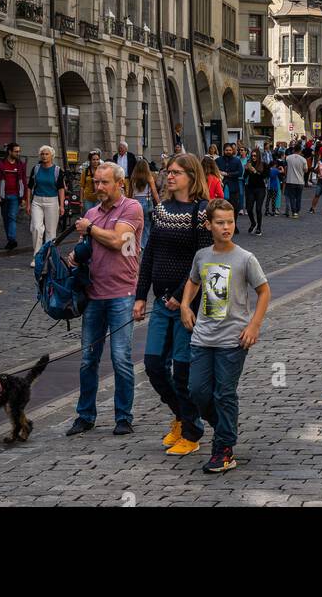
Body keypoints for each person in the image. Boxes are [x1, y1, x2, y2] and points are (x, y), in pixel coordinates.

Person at [183, 199, 270, 474]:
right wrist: (185, 304)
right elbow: (193, 281)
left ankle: (224, 448)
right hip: (203, 337)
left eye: (230, 222)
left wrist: (254, 325)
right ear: (208, 225)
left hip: (233, 339)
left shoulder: (245, 258)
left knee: (224, 394)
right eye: (220, 222)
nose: (226, 227)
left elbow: (264, 291)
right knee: (197, 391)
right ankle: (224, 427)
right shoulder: (202, 256)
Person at [134, 153, 211, 456]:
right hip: (159, 301)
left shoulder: (201, 212)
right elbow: (150, 254)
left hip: (186, 305)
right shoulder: (162, 210)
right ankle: (180, 415)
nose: (170, 176)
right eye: (168, 171)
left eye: (177, 172)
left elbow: (203, 261)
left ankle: (192, 432)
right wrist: (140, 295)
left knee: (182, 370)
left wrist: (181, 297)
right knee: (153, 364)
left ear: (191, 176)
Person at [66, 162, 143, 437]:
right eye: (96, 182)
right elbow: (87, 248)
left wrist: (89, 230)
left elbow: (118, 241)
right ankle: (85, 415)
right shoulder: (91, 213)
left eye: (104, 182)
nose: (98, 187)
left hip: (122, 293)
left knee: (121, 358)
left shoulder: (131, 208)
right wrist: (75, 258)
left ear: (119, 184)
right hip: (94, 295)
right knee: (88, 359)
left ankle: (123, 416)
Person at [28, 146, 66, 267]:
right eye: (42, 154)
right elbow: (29, 187)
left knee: (50, 232)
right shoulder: (36, 169)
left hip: (52, 201)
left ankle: (48, 255)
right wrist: (28, 203)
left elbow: (61, 189)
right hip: (37, 201)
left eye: (46, 154)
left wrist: (61, 205)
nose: (44, 156)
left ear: (51, 156)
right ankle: (37, 256)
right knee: (36, 228)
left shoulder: (57, 170)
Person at [0, 142, 28, 252]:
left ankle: (12, 239)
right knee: (6, 218)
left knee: (11, 216)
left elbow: (24, 181)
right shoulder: (0, 164)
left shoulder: (20, 165)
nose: (18, 153)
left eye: (19, 151)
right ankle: (10, 241)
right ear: (10, 151)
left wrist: (24, 197)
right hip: (3, 196)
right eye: (16, 151)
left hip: (15, 196)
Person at [130, 158, 159, 251]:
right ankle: (144, 245)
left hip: (135, 202)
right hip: (146, 202)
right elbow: (154, 192)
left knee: (136, 225)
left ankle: (136, 244)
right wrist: (160, 204)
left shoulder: (133, 177)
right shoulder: (149, 177)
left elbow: (130, 194)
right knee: (147, 225)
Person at [216, 144, 244, 230]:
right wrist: (219, 172)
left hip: (233, 187)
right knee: (221, 208)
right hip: (221, 187)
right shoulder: (218, 160)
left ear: (233, 151)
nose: (228, 152)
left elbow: (240, 172)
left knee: (234, 208)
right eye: (226, 150)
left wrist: (228, 174)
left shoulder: (237, 160)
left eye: (230, 150)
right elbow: (214, 170)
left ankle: (234, 225)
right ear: (224, 151)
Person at [244, 149, 267, 236]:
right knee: (249, 208)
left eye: (255, 156)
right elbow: (244, 176)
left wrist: (255, 171)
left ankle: (259, 227)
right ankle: (253, 223)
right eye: (252, 156)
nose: (253, 157)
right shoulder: (249, 164)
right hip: (250, 188)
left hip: (260, 189)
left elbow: (264, 176)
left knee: (258, 209)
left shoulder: (264, 165)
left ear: (258, 156)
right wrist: (246, 169)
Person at [284, 144, 307, 218]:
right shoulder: (303, 159)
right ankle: (297, 210)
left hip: (290, 180)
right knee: (298, 197)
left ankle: (294, 212)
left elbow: (285, 168)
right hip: (300, 181)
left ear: (293, 150)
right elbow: (306, 170)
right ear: (300, 150)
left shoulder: (288, 158)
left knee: (292, 197)